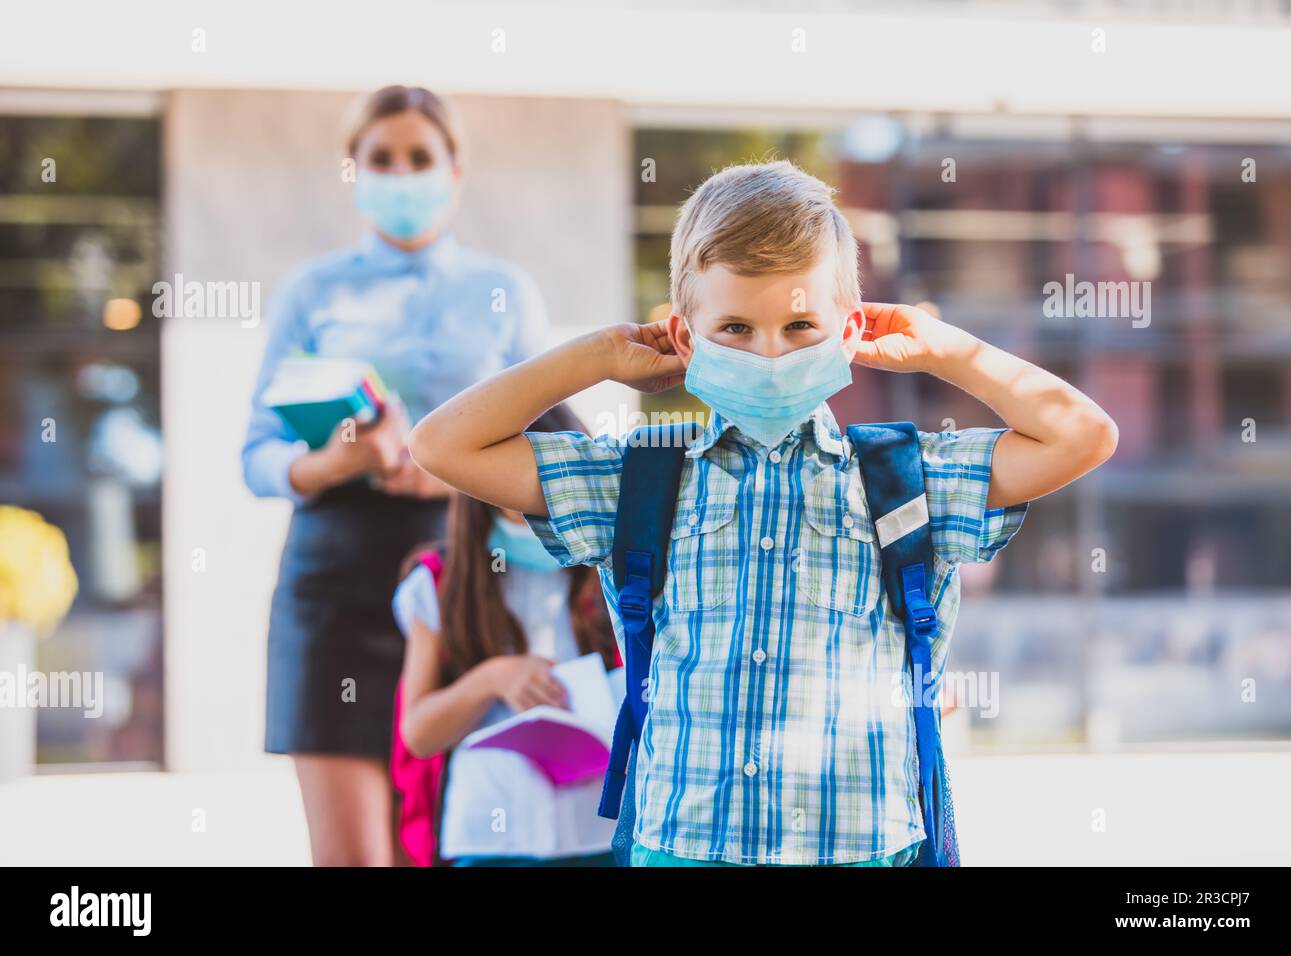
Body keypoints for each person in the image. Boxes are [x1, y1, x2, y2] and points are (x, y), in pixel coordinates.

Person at [407, 160, 1118, 866]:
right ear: (686, 339)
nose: (770, 354)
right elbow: (441, 444)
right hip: (683, 849)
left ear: (850, 331)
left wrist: (945, 350)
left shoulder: (905, 476)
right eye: (737, 328)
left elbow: (1083, 434)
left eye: (802, 324)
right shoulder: (641, 478)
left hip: (862, 850)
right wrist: (597, 356)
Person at [241, 85, 550, 866]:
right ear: (355, 170)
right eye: (382, 159)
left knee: (462, 844)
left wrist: (449, 476)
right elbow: (256, 456)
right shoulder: (310, 292)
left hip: (463, 589)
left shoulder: (505, 292)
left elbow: (551, 448)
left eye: (421, 156)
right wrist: (336, 461)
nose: (402, 173)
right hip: (333, 590)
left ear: (455, 169)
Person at [393, 405, 620, 866]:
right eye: (518, 492)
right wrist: (492, 678)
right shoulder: (440, 584)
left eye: (553, 496)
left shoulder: (613, 576)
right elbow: (417, 733)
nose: (538, 513)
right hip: (490, 836)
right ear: (477, 487)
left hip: (599, 832)